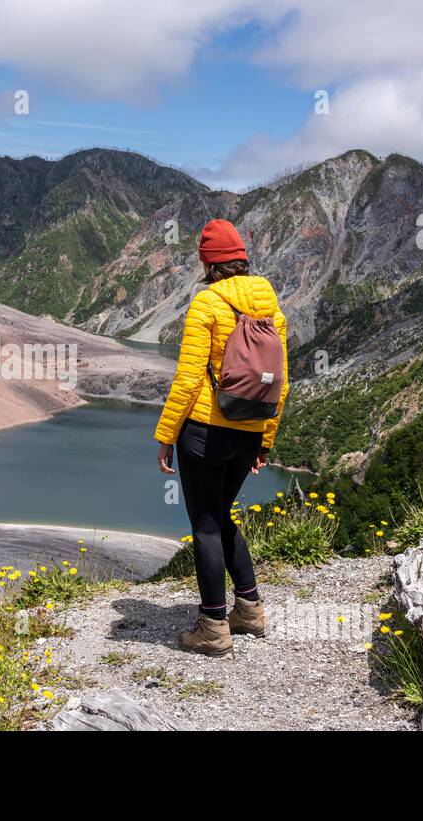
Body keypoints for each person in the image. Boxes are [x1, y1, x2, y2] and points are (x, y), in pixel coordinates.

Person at [154, 219, 289, 656]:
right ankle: (249, 610)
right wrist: (265, 440)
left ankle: (213, 626)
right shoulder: (271, 308)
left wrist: (166, 433)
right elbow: (279, 384)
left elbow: (189, 378)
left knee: (206, 522)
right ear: (243, 260)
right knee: (222, 514)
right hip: (248, 431)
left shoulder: (206, 304)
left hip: (205, 432)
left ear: (207, 263)